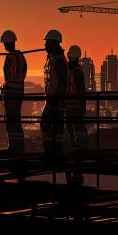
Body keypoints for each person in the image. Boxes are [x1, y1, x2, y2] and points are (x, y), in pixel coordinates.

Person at [41, 29, 68, 162]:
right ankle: (53, 152)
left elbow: (62, 81)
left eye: (47, 43)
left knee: (51, 125)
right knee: (52, 126)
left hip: (56, 99)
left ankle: (54, 153)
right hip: (52, 98)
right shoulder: (52, 58)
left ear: (54, 43)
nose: (45, 45)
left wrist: (58, 99)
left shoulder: (59, 60)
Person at [0, 30, 26, 155]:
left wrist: (5, 86)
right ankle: (18, 146)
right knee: (16, 120)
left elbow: (7, 75)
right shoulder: (21, 56)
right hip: (19, 91)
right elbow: (22, 74)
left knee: (11, 120)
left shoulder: (10, 57)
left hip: (11, 93)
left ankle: (14, 147)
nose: (4, 46)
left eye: (4, 43)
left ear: (8, 43)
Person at [65, 45, 88, 153]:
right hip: (72, 105)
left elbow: (80, 90)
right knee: (73, 126)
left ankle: (80, 148)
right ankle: (78, 147)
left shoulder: (76, 71)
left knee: (77, 127)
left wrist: (82, 105)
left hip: (75, 106)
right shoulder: (74, 70)